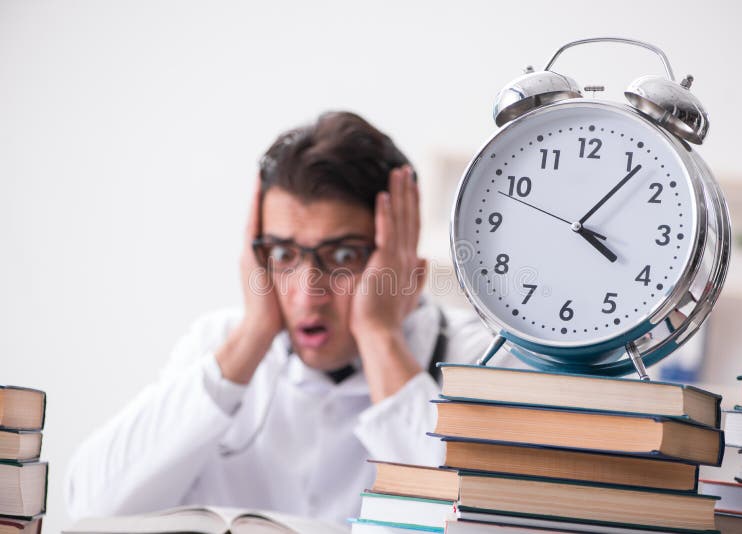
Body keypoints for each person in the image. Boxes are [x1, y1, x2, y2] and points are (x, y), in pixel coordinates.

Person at [64, 112, 503, 525]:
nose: (308, 291)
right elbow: (92, 509)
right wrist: (252, 336)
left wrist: (379, 336)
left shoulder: (475, 359)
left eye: (344, 255)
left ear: (407, 265)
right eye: (283, 253)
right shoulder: (220, 345)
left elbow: (487, 523)